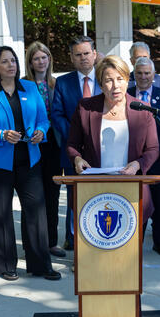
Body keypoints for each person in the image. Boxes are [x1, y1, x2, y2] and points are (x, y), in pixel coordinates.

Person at [0, 46, 60, 281]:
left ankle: (40, 265)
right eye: (5, 62)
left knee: (36, 210)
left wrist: (40, 131)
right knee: (1, 214)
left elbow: (42, 119)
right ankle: (6, 265)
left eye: (13, 61)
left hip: (29, 159)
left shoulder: (29, 88)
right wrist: (1, 135)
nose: (11, 65)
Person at [67, 55, 159, 187]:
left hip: (131, 185)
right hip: (94, 186)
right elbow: (72, 144)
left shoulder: (143, 110)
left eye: (120, 79)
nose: (115, 86)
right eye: (109, 80)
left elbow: (153, 149)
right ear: (101, 84)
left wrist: (138, 164)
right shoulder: (85, 108)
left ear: (127, 80)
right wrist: (77, 159)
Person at [51, 36, 101, 251]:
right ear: (72, 58)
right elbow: (57, 114)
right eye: (78, 55)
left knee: (101, 194)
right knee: (74, 197)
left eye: (86, 53)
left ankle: (98, 237)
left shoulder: (105, 77)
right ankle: (73, 238)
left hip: (103, 150)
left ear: (95, 54)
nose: (83, 58)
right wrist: (75, 138)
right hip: (73, 151)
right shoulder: (63, 82)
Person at [24, 41, 66, 258]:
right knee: (32, 196)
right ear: (30, 62)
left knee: (52, 194)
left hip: (54, 145)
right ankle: (33, 243)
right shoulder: (22, 85)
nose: (41, 61)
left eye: (44, 57)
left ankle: (51, 241)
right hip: (31, 145)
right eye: (36, 58)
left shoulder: (56, 84)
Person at [128, 56, 160, 255]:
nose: (143, 77)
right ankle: (135, 241)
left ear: (154, 75)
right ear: (134, 74)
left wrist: (154, 152)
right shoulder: (127, 95)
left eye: (147, 73)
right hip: (132, 162)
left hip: (159, 160)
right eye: (139, 73)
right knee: (136, 203)